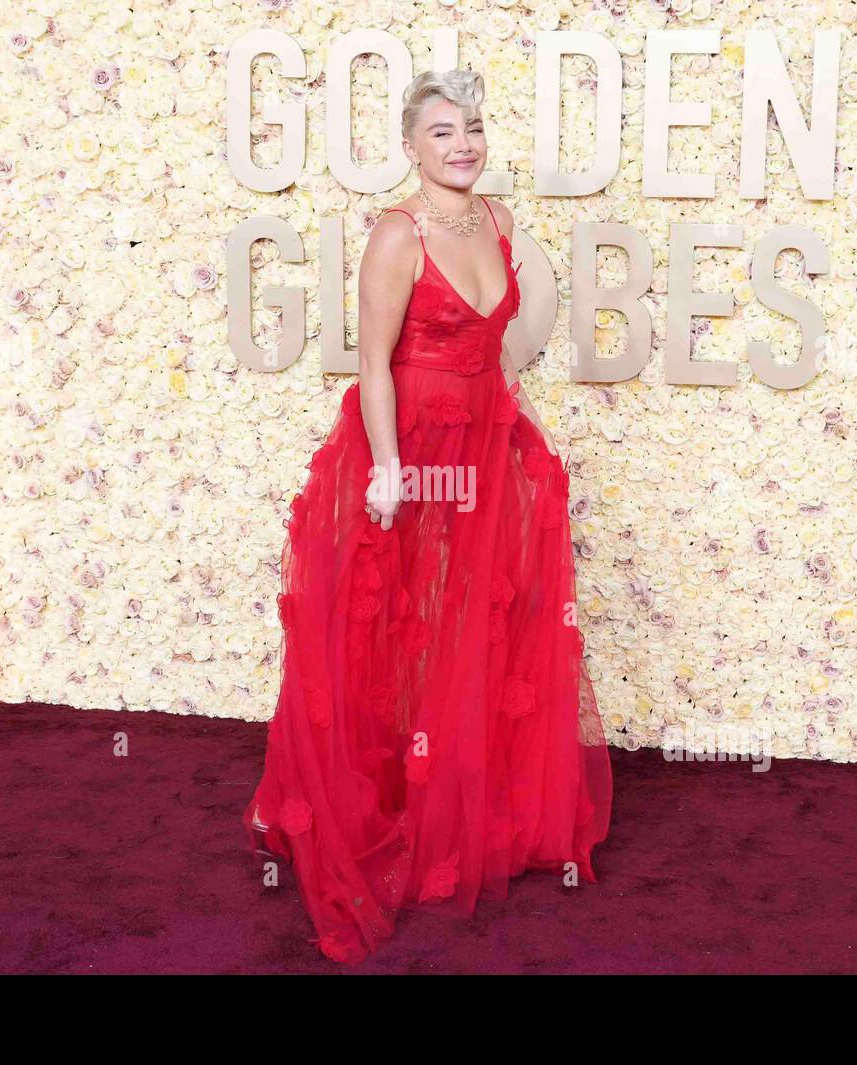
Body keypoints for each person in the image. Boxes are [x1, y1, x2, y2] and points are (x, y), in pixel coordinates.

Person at [242, 68, 612, 965]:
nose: (463, 145)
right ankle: (381, 803)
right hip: (406, 446)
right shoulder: (396, 236)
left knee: (473, 623)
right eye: (442, 132)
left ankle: (455, 804)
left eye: (473, 128)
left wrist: (514, 437)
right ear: (410, 147)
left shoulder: (501, 222)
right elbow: (373, 362)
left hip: (485, 439)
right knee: (388, 627)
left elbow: (493, 350)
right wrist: (390, 468)